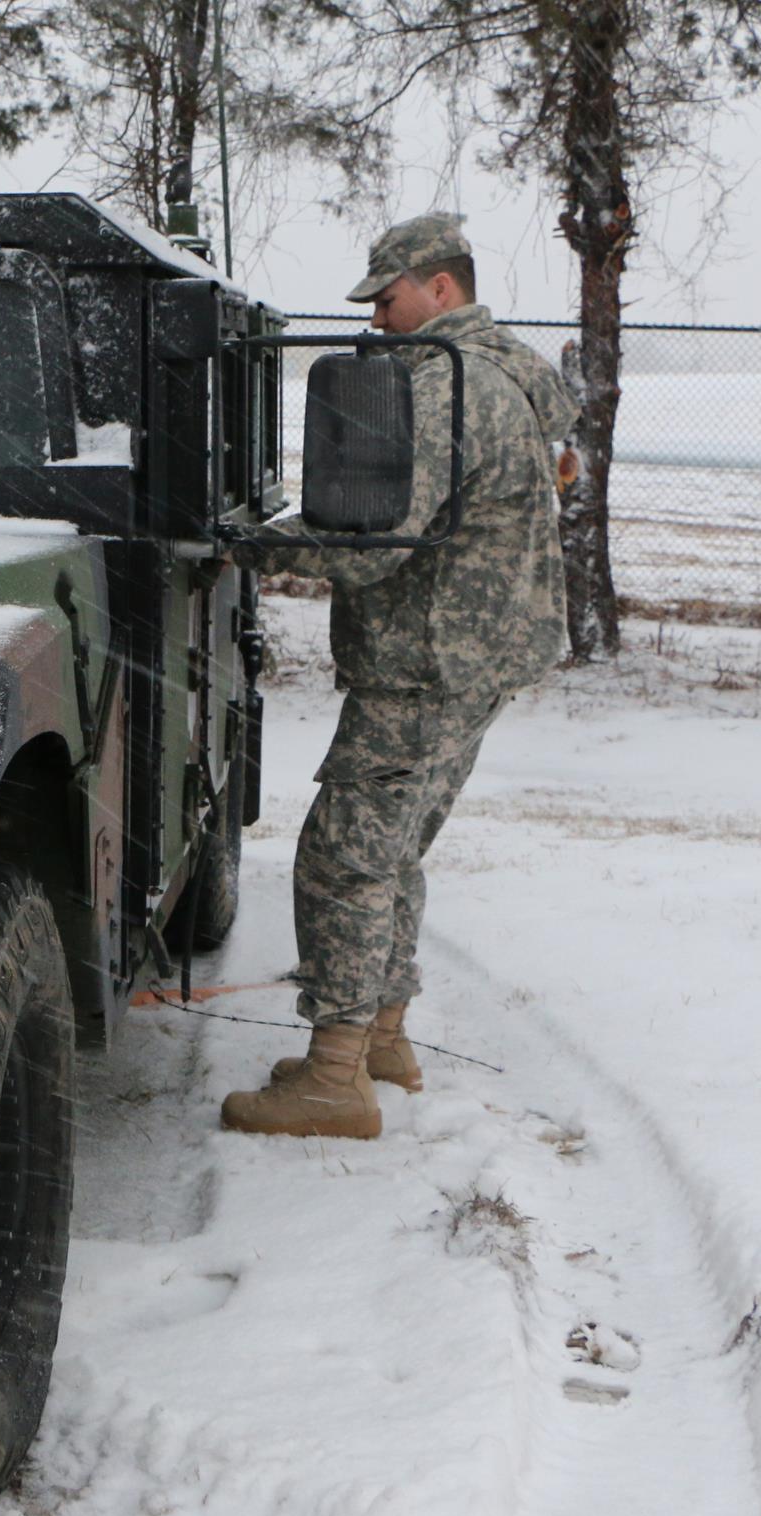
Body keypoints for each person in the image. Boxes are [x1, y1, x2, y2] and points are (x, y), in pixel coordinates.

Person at [220, 213, 580, 1140]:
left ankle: (336, 1078)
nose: (376, 319)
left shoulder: (447, 387)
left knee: (342, 858)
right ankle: (379, 1039)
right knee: (391, 848)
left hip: (429, 661)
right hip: (477, 657)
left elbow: (380, 539)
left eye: (387, 299)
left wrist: (250, 544)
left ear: (440, 288)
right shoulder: (498, 374)